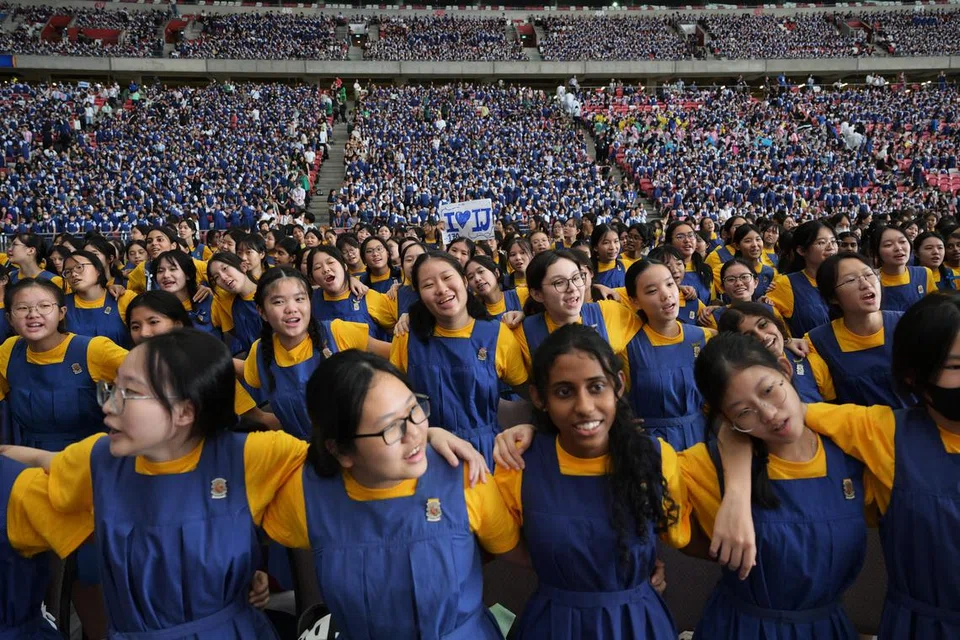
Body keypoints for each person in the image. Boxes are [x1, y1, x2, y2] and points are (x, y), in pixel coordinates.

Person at [729, 291, 960, 638]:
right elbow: (759, 420)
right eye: (956, 366)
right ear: (914, 374)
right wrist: (735, 493)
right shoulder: (884, 431)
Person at [260, 349, 519, 638]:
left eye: (414, 409)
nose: (415, 434)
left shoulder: (462, 473)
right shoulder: (306, 493)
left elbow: (512, 551)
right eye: (391, 428)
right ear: (341, 450)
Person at [492, 325, 683, 638]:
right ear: (540, 398)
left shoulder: (656, 457)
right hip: (555, 623)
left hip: (637, 622)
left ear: (618, 386)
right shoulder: (519, 463)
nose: (584, 406)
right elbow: (503, 544)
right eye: (564, 392)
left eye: (596, 387)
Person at [689, 332, 871, 639]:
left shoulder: (853, 446)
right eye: (744, 412)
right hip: (742, 629)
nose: (770, 415)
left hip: (827, 628)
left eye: (770, 390)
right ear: (727, 418)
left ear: (786, 370)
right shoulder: (705, 465)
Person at [390, 251, 528, 467]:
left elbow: (529, 392)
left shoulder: (497, 334)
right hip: (427, 454)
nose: (441, 289)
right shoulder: (406, 338)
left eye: (447, 278)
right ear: (419, 294)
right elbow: (392, 405)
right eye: (428, 285)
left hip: (487, 453)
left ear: (464, 281)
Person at [244, 266, 389, 439]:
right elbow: (245, 374)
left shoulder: (336, 332)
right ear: (262, 312)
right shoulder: (259, 352)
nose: (291, 308)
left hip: (356, 452)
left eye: (299, 299)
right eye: (278, 302)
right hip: (303, 456)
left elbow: (397, 355)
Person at [624, 259, 714, 450]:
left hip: (701, 443)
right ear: (634, 301)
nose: (666, 295)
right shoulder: (627, 347)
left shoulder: (703, 337)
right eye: (651, 291)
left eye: (670, 283)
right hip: (650, 448)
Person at [806, 253, 910, 408]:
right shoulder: (817, 342)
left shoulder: (908, 324)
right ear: (832, 297)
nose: (865, 284)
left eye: (869, 274)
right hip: (858, 429)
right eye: (850, 280)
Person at [514, 250, 640, 372]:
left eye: (576, 277)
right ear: (537, 294)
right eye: (559, 282)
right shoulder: (523, 333)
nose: (572, 288)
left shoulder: (609, 312)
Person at [718, 302, 833, 403]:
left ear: (775, 322)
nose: (763, 337)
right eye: (749, 336)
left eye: (763, 325)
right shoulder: (736, 386)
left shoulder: (809, 360)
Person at [309, 246, 396, 340]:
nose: (326, 269)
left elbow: (395, 330)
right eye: (317, 267)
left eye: (330, 262)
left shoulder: (366, 296)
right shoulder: (310, 302)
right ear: (312, 277)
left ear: (344, 266)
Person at [766, 221, 836, 338]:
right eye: (821, 242)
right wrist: (788, 342)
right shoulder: (786, 284)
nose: (831, 247)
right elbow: (766, 322)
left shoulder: (846, 278)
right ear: (801, 250)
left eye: (833, 241)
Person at [63, 250, 136, 348]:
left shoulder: (124, 298)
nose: (73, 274)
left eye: (79, 267)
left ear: (98, 270)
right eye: (68, 272)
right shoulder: (62, 305)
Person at [151, 250, 219, 338]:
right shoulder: (154, 309)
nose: (166, 275)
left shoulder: (209, 302)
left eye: (173, 269)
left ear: (188, 274)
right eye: (160, 271)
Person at [872, 225, 936, 312]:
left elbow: (935, 308)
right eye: (888, 245)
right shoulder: (871, 280)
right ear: (877, 251)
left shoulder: (924, 273)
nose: (898, 248)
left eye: (902, 241)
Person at [208, 252, 262, 356]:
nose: (223, 277)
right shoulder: (232, 305)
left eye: (224, 269)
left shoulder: (270, 293)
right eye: (216, 277)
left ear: (243, 266)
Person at [465, 254, 527, 319]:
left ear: (496, 273)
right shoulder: (472, 314)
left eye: (481, 271)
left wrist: (525, 314)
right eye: (471, 277)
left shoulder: (521, 294)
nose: (477, 279)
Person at [666, 221, 713, 304]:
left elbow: (710, 300)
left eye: (691, 235)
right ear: (669, 242)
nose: (687, 240)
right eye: (680, 237)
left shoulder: (705, 270)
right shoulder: (663, 268)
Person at [731, 224, 775, 299]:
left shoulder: (769, 272)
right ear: (737, 246)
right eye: (748, 241)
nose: (755, 245)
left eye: (758, 239)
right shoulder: (730, 271)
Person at [591, 224, 626, 288]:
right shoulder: (588, 272)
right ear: (595, 247)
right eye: (606, 243)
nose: (613, 247)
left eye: (616, 241)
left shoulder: (622, 265)